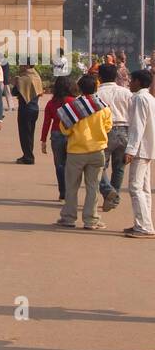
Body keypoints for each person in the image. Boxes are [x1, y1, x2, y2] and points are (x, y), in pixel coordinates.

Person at [56, 73, 112, 231]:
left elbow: (65, 130)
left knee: (72, 186)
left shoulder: (73, 107)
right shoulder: (103, 107)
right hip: (97, 151)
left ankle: (68, 218)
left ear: (79, 88)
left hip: (76, 152)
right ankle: (91, 220)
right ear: (96, 88)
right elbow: (108, 127)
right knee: (93, 187)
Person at [94, 63, 132, 213]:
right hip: (124, 129)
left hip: (105, 130)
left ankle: (108, 192)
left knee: (99, 166)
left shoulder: (97, 92)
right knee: (119, 167)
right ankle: (113, 196)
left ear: (99, 77)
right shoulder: (126, 92)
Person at [124, 69, 155, 237]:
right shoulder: (149, 98)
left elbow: (137, 126)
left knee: (135, 187)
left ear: (138, 82)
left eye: (132, 80)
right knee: (143, 188)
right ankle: (143, 223)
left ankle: (144, 226)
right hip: (147, 147)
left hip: (141, 148)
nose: (129, 82)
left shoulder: (140, 99)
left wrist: (130, 150)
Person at [40, 75, 76, 200]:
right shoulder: (73, 101)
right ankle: (72, 190)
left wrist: (43, 140)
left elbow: (46, 123)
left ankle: (63, 191)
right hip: (72, 134)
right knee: (71, 164)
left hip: (56, 134)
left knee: (59, 164)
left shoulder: (51, 103)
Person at [12, 61, 43, 164]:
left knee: (24, 134)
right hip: (35, 108)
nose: (20, 66)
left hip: (25, 109)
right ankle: (28, 155)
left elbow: (14, 92)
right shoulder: (36, 76)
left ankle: (28, 157)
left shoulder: (23, 79)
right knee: (30, 133)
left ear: (26, 66)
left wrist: (16, 82)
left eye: (21, 64)